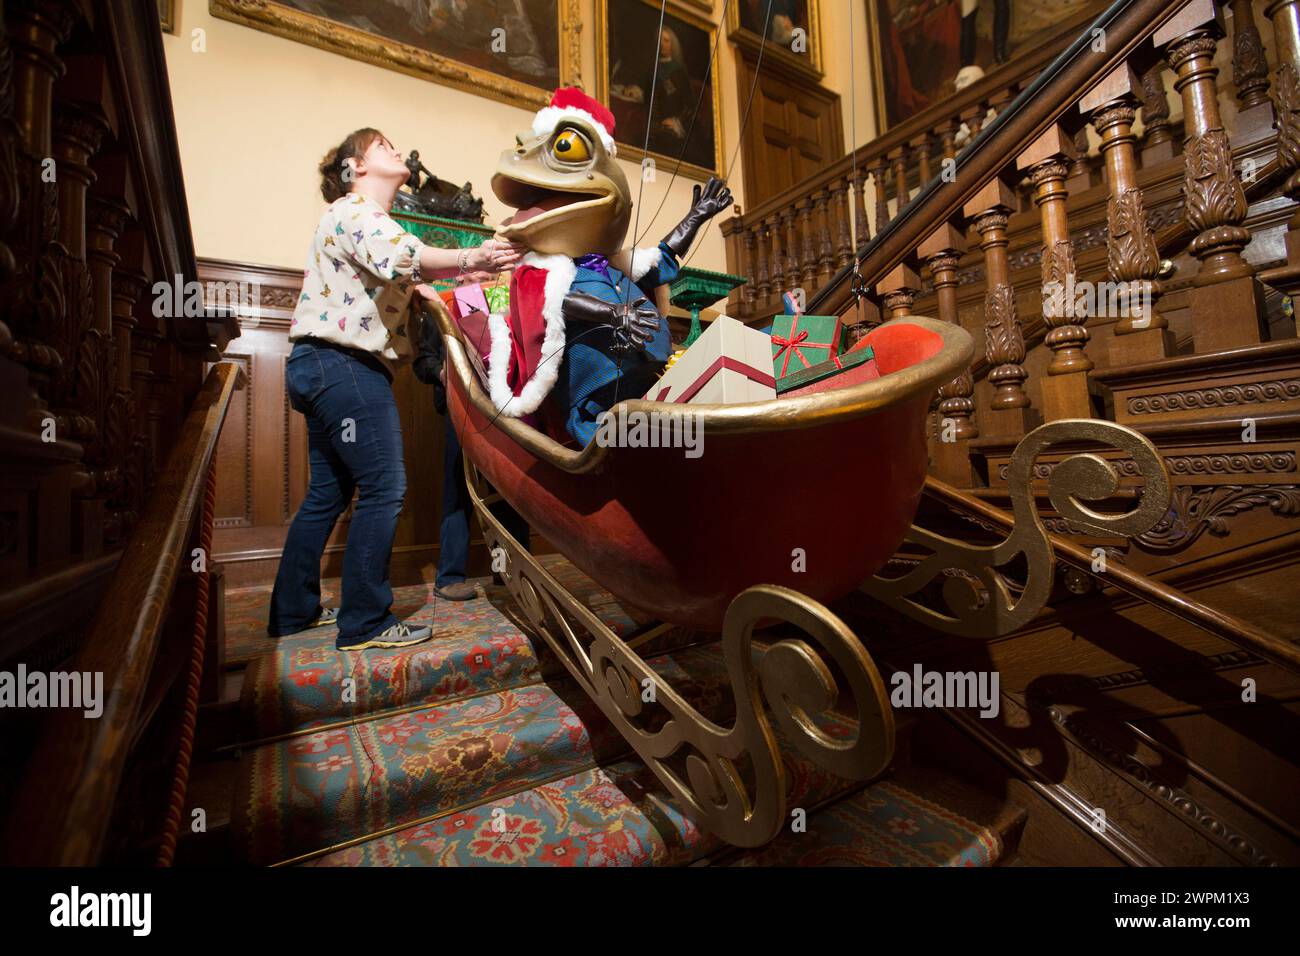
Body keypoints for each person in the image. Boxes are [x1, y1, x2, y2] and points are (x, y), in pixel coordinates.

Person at [267, 127, 523, 650]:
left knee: (326, 495)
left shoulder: (364, 228)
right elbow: (410, 256)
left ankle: (293, 611)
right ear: (355, 167)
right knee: (385, 488)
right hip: (347, 368)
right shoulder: (357, 210)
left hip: (319, 365)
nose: (396, 148)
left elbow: (415, 278)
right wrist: (474, 257)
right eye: (382, 145)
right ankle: (365, 622)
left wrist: (460, 280)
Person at [412, 288, 532, 600]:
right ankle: (450, 577)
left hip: (505, 410)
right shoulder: (444, 304)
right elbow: (422, 361)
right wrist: (444, 373)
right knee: (459, 492)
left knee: (509, 492)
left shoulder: (506, 299)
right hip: (462, 410)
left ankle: (507, 573)